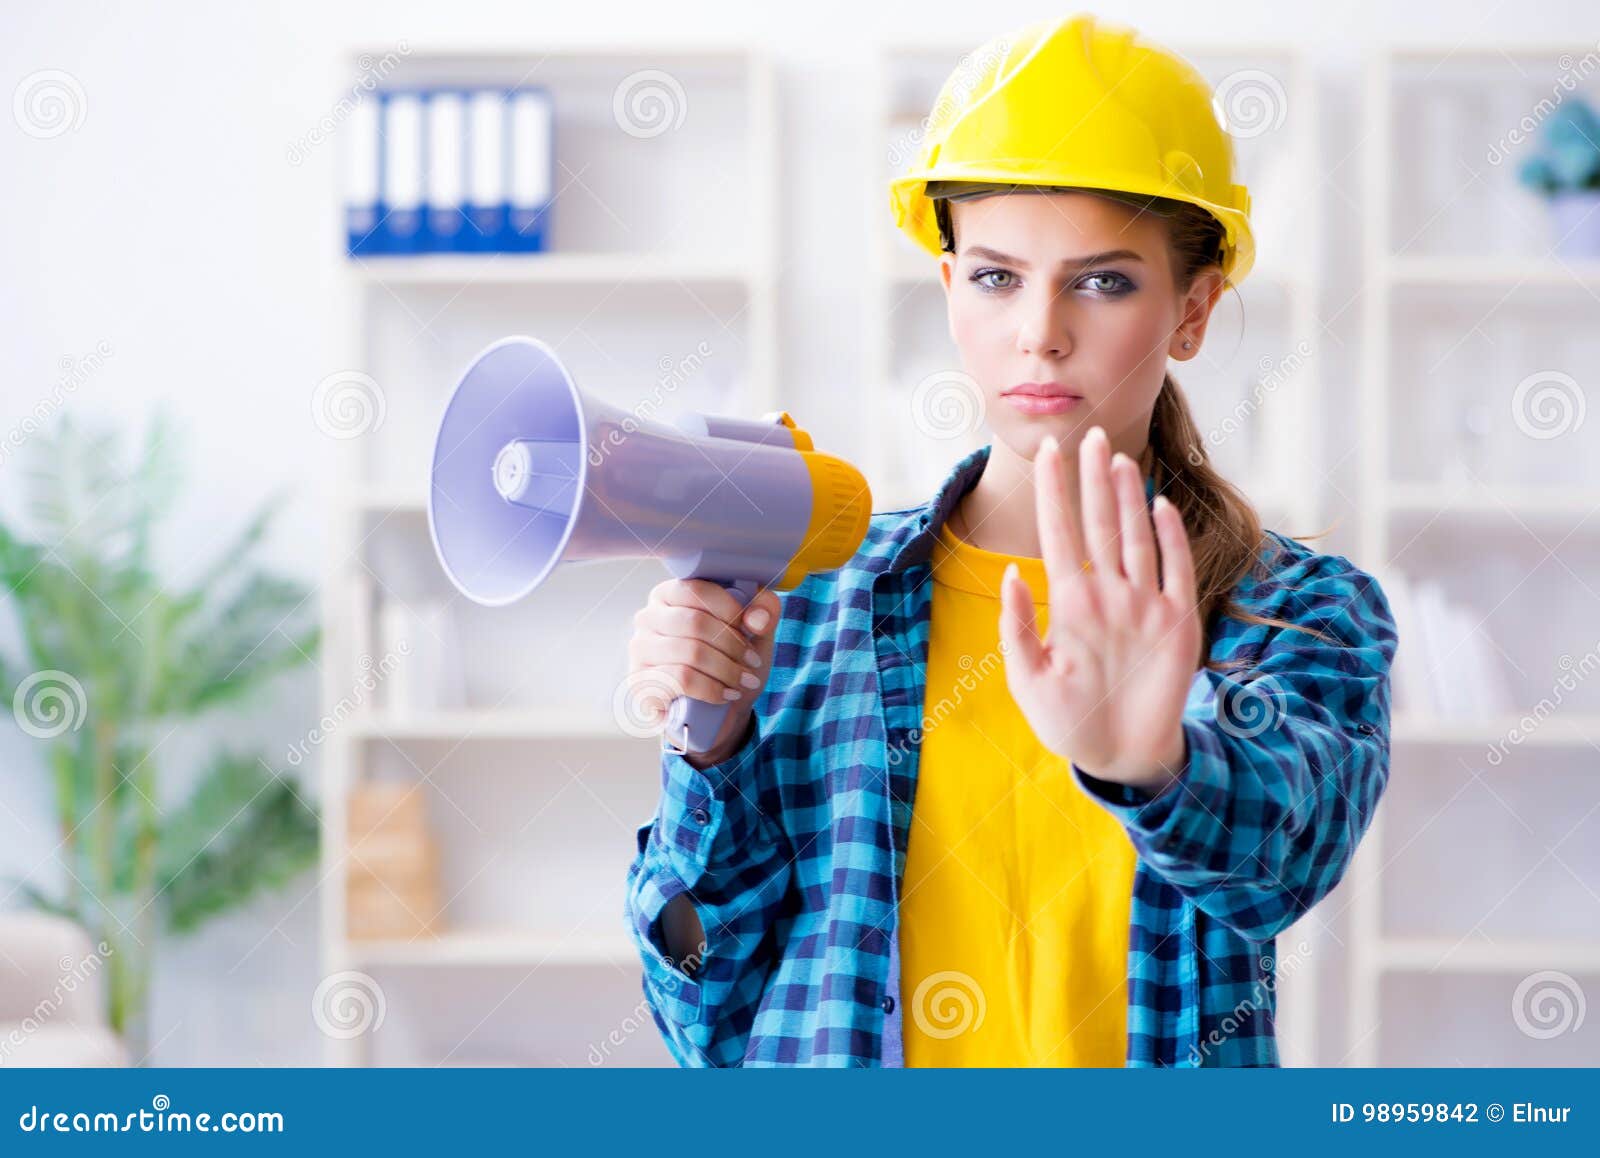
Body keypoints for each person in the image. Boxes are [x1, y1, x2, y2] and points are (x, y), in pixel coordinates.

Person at [623, 12, 1397, 1067]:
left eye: (1103, 279)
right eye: (995, 275)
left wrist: (1151, 765)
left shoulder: (1296, 609)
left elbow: (1286, 863)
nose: (1040, 329)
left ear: (1194, 310)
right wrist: (705, 747)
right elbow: (704, 1019)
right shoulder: (803, 601)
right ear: (949, 292)